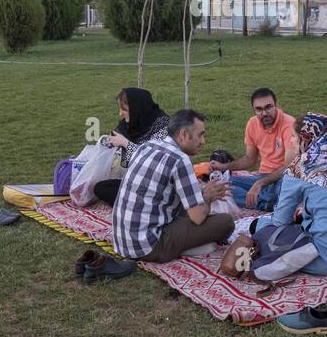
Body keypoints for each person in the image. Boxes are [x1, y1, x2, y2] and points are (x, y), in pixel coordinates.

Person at [250, 113, 327, 278]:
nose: (291, 141)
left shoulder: (299, 169)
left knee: (260, 226)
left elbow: (281, 221)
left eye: (294, 136)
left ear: (306, 139)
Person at [111, 108, 232, 263]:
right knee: (226, 222)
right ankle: (180, 246)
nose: (203, 141)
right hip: (148, 247)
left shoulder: (147, 145)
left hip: (122, 241)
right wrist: (208, 197)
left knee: (186, 207)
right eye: (200, 135)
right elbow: (198, 218)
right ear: (183, 134)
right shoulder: (180, 160)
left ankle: (182, 240)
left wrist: (200, 196)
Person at [208, 87, 297, 212]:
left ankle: (263, 202)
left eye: (268, 107)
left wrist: (259, 184)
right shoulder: (252, 124)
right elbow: (250, 159)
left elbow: (289, 166)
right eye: (259, 109)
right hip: (262, 176)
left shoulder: (289, 124)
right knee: (222, 185)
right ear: (254, 110)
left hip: (283, 178)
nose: (264, 113)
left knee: (285, 190)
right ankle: (266, 203)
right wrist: (222, 167)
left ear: (276, 105)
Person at [93, 88, 170, 206]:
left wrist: (125, 143)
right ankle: (130, 202)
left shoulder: (162, 127)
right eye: (119, 109)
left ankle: (137, 204)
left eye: (125, 110)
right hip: (136, 181)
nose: (120, 114)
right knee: (100, 187)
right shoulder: (131, 124)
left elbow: (151, 161)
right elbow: (113, 137)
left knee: (111, 192)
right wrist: (106, 142)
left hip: (155, 185)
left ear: (137, 108)